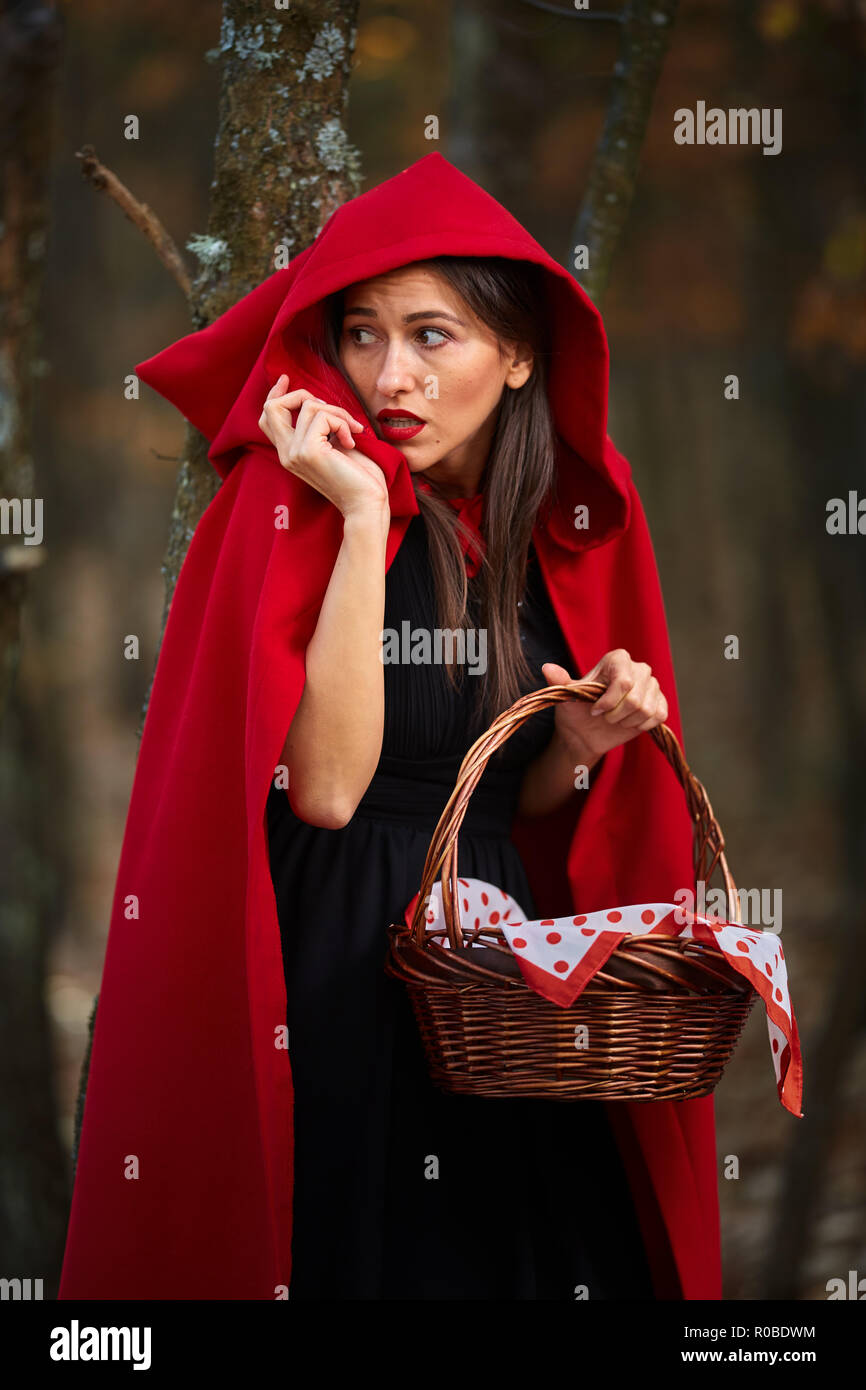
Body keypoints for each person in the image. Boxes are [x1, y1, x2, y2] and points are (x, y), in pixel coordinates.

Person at [58, 153, 721, 1301]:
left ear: (517, 357)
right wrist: (363, 518)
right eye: (360, 332)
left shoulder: (556, 535)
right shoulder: (298, 503)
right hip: (340, 964)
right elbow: (325, 787)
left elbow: (519, 811)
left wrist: (579, 746)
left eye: (431, 336)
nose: (386, 374)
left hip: (495, 983)